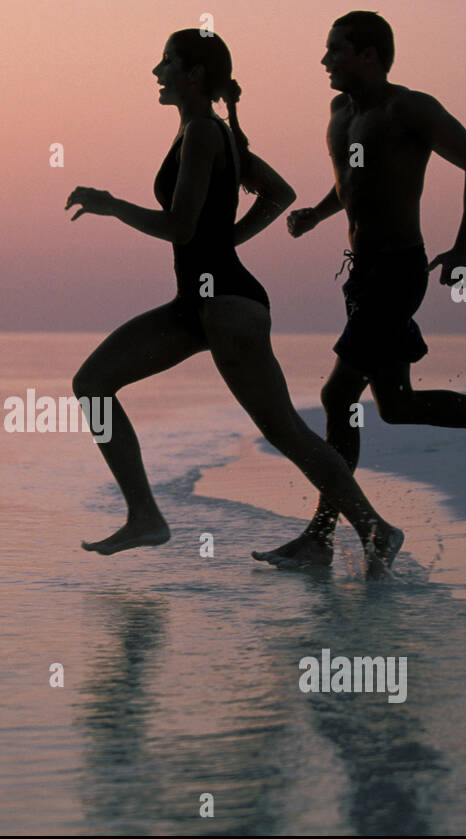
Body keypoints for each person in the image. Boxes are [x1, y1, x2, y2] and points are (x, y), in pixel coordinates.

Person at [67, 28, 403, 577]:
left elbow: (180, 226)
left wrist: (112, 205)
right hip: (196, 306)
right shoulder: (209, 135)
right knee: (93, 385)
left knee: (285, 431)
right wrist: (226, 241)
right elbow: (280, 196)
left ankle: (376, 530)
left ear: (194, 74)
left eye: (167, 61)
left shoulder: (204, 133)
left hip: (228, 307)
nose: (157, 71)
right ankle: (145, 515)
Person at [254, 11, 466, 568]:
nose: (324, 61)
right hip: (362, 273)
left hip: (397, 271)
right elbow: (353, 180)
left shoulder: (408, 108)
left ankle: (333, 537)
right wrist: (319, 215)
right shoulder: (340, 112)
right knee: (394, 404)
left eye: (335, 50)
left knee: (337, 395)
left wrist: (465, 248)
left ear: (369, 54)